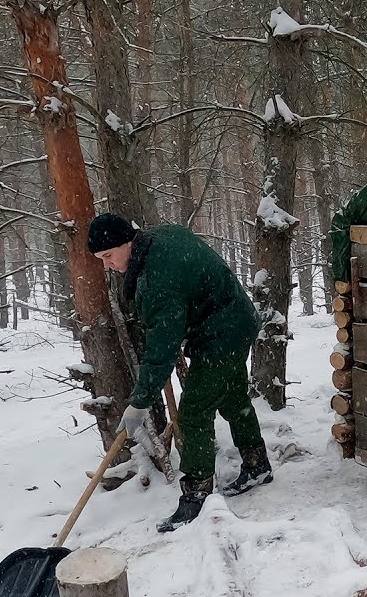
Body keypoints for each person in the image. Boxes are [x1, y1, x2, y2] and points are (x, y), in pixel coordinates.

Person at [86, 213, 273, 532]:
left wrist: (140, 402)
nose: (107, 265)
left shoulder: (160, 275)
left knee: (193, 412)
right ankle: (256, 465)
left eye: (108, 256)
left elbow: (161, 349)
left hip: (223, 331)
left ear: (127, 243)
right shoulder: (156, 240)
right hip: (232, 320)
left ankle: (195, 497)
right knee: (231, 397)